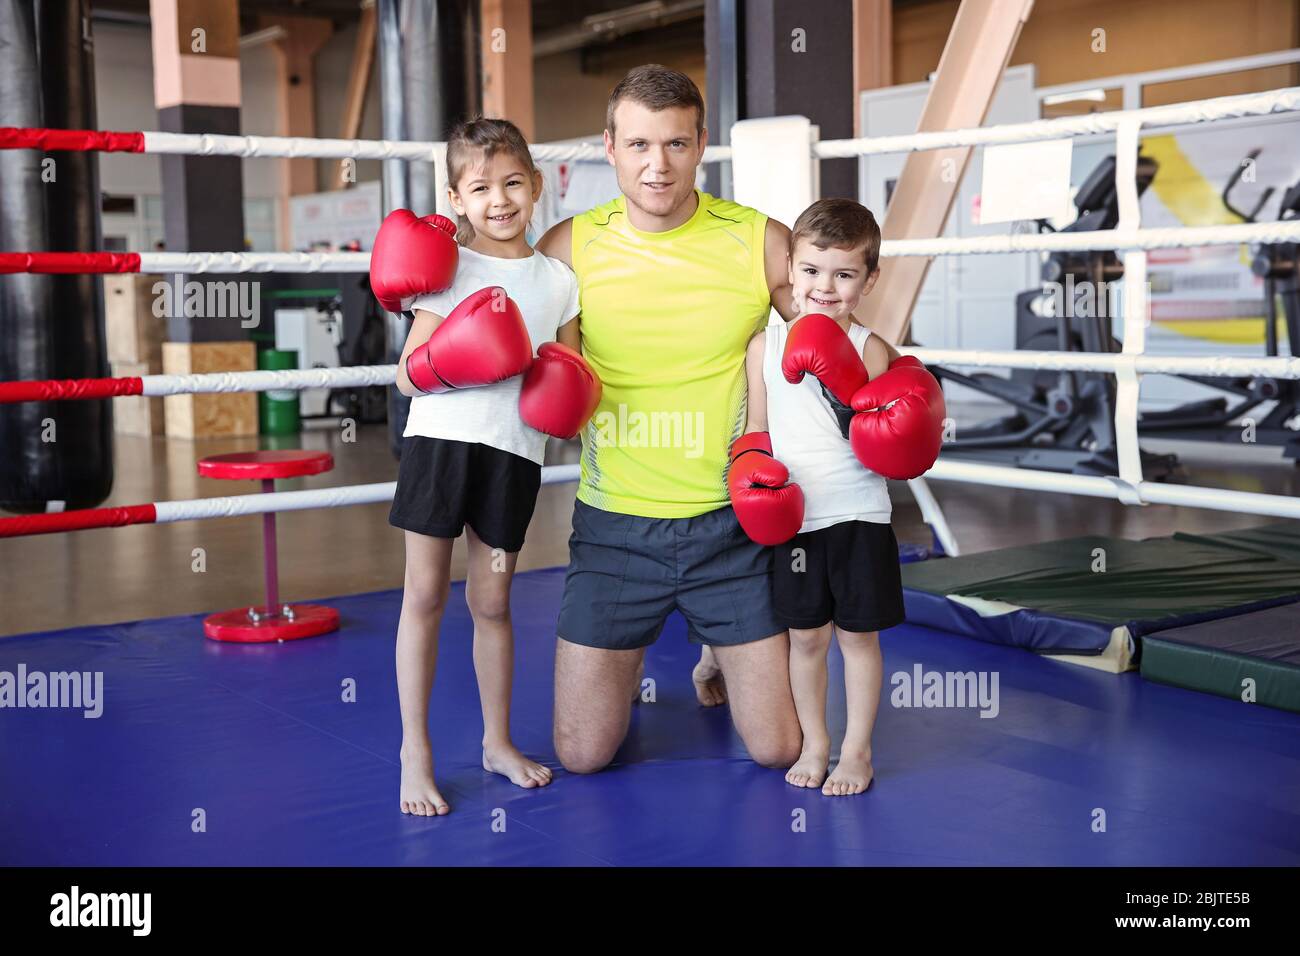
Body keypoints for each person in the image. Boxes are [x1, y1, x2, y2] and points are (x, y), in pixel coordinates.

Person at [536, 65, 810, 774]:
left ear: (701, 144)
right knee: (582, 755)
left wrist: (891, 374)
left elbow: (828, 334)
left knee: (779, 749)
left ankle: (714, 647)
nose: (657, 165)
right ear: (610, 147)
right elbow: (498, 313)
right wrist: (429, 296)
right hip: (615, 530)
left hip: (731, 526)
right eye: (638, 145)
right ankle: (630, 648)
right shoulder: (569, 247)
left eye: (676, 144)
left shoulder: (759, 240)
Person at [373, 117, 601, 815]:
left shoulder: (559, 282)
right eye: (480, 188)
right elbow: (406, 375)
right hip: (440, 449)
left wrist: (566, 397)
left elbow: (570, 373)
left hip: (513, 457)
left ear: (536, 186)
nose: (499, 200)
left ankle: (496, 742)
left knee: (493, 603)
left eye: (512, 183)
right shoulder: (449, 269)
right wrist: (460, 359)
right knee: (424, 595)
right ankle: (415, 752)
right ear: (456, 198)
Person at [733, 198, 931, 796]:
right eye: (812, 270)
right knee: (805, 637)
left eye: (844, 274)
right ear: (790, 270)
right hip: (794, 517)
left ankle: (857, 751)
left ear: (869, 281)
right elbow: (757, 427)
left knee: (858, 637)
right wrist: (749, 468)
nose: (825, 286)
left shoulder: (871, 349)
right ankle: (816, 743)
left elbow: (884, 438)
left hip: (858, 514)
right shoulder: (763, 348)